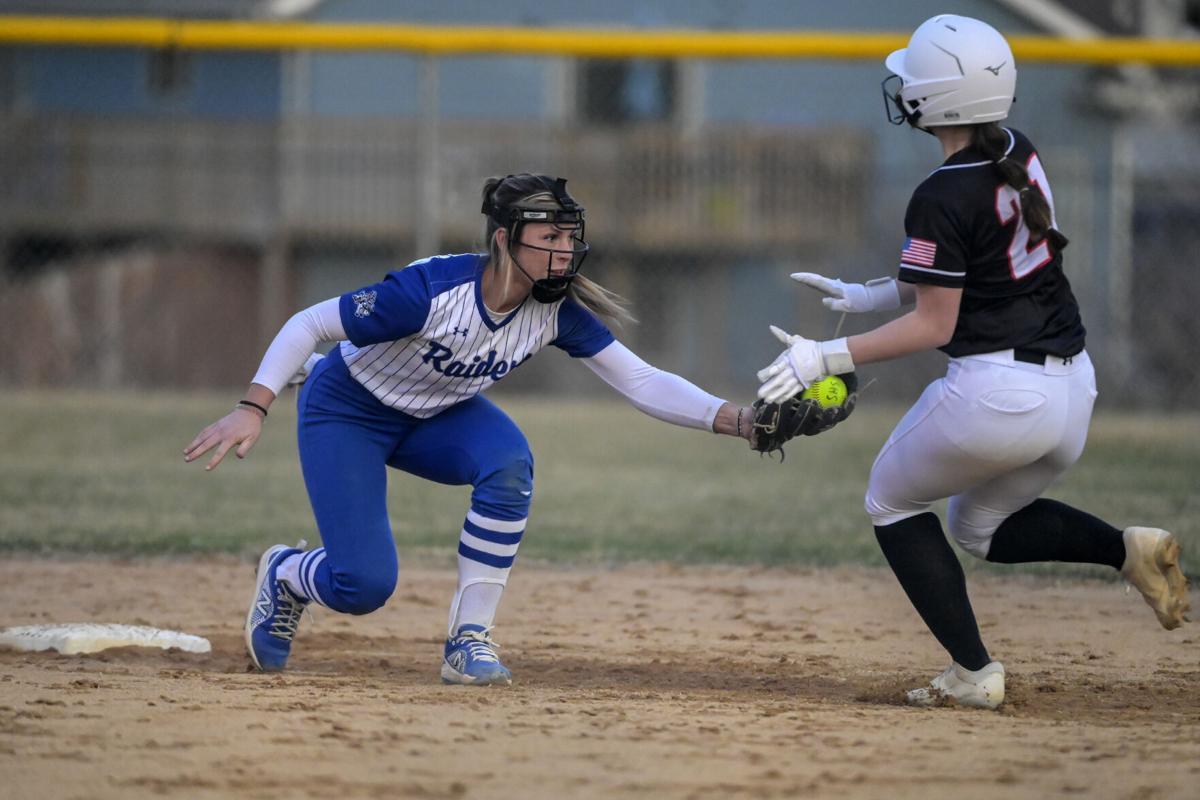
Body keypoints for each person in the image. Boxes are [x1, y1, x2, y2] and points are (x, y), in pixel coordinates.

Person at [756, 15, 1190, 709]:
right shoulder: (1017, 150)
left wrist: (825, 355)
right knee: (976, 528)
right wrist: (869, 295)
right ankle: (1126, 549)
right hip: (1072, 391)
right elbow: (974, 266)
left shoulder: (940, 192)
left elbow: (936, 322)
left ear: (935, 98)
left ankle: (973, 673)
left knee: (890, 502)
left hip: (997, 396)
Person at [184, 173, 755, 685]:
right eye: (549, 237)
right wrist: (252, 407)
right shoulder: (430, 293)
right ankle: (287, 574)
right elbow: (309, 322)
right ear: (505, 239)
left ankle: (469, 641)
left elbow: (643, 381)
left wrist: (740, 421)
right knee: (364, 585)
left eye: (568, 237)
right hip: (348, 409)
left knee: (509, 463)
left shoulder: (554, 311)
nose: (564, 251)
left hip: (437, 413)